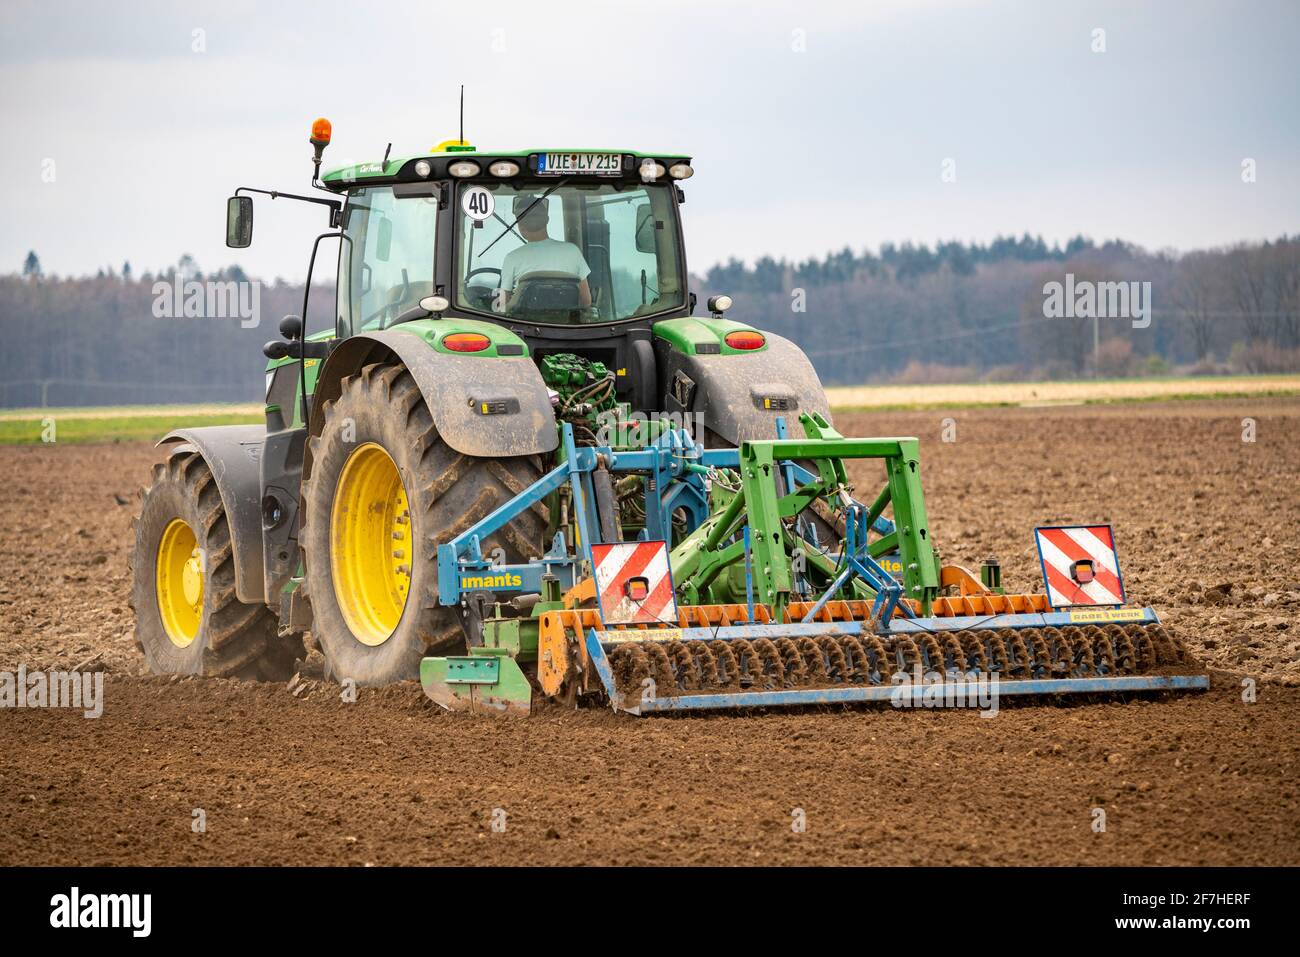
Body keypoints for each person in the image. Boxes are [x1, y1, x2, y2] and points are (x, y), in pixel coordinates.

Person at [499, 194, 592, 311]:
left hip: (525, 325)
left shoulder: (512, 258)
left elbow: (503, 306)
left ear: (520, 226)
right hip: (566, 325)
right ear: (547, 220)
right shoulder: (573, 251)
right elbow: (586, 301)